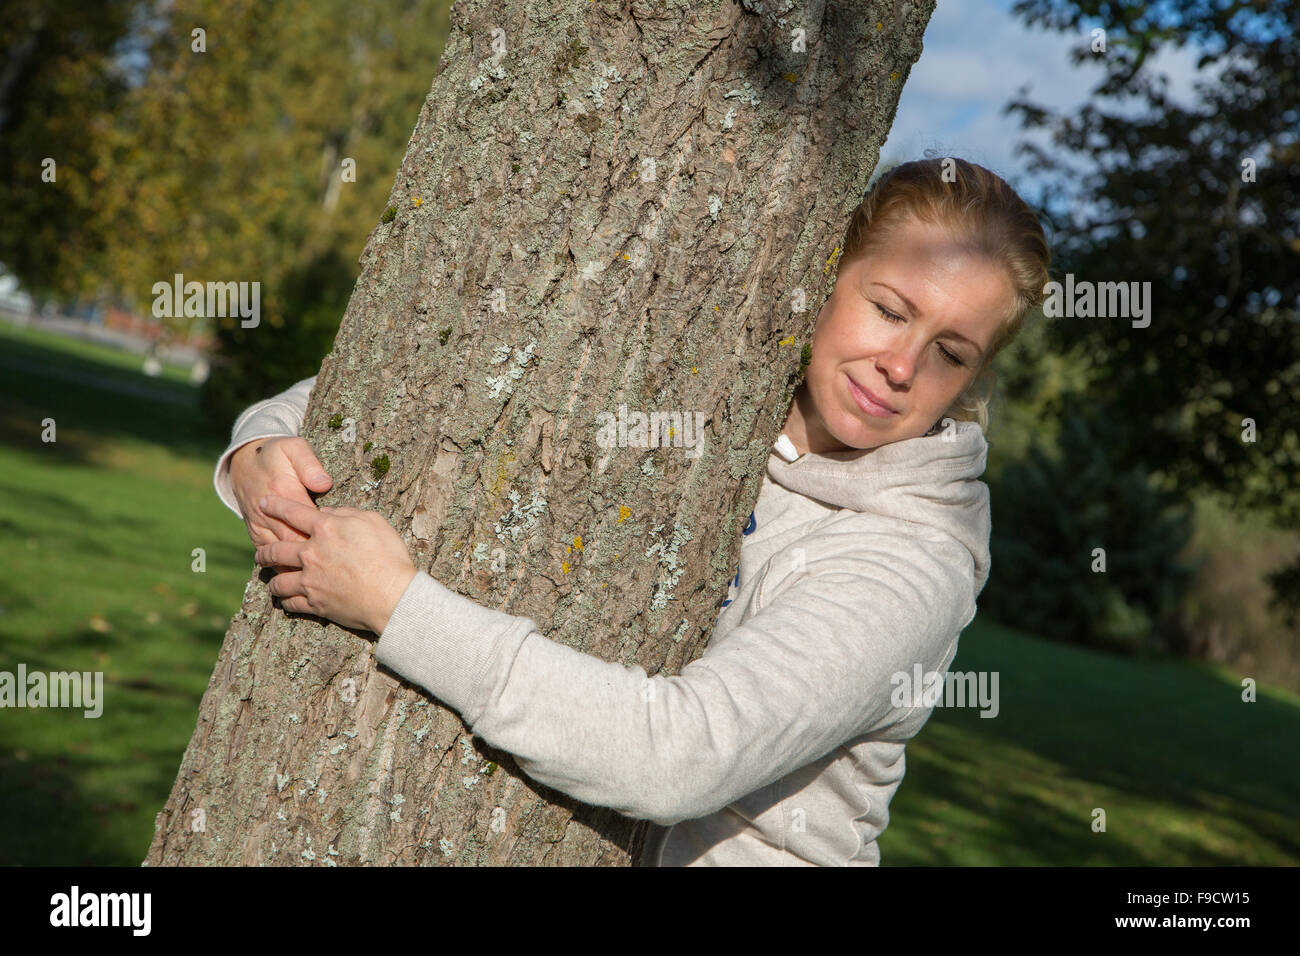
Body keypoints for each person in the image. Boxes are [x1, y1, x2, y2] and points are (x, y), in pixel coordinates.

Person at [215, 157, 1051, 865]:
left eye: (949, 353)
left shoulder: (913, 562)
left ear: (970, 381)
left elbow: (678, 759)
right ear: (825, 275)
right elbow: (449, 398)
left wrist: (400, 607)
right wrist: (260, 453)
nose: (901, 365)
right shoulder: (721, 387)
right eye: (889, 308)